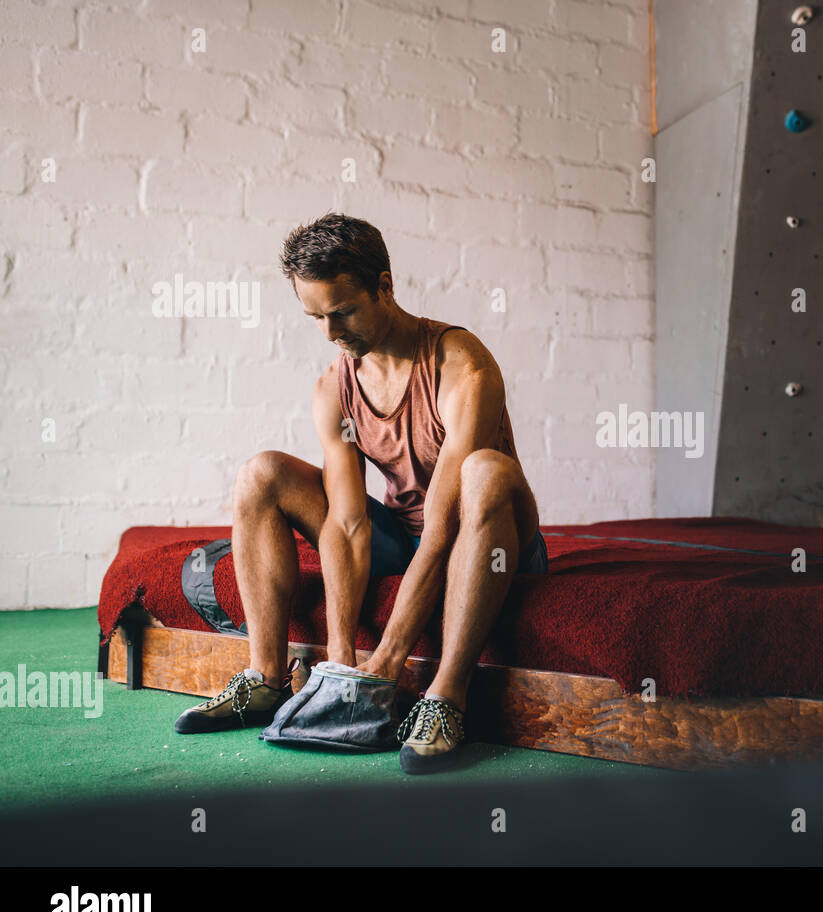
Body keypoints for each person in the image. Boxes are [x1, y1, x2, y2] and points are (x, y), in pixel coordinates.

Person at [173, 213, 547, 774]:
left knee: (484, 472)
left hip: (488, 531)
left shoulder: (460, 365)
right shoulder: (335, 386)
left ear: (385, 286)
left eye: (343, 311)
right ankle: (266, 679)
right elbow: (347, 524)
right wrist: (342, 656)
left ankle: (446, 698)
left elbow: (444, 524)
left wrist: (391, 653)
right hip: (401, 533)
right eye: (316, 317)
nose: (330, 331)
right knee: (261, 473)